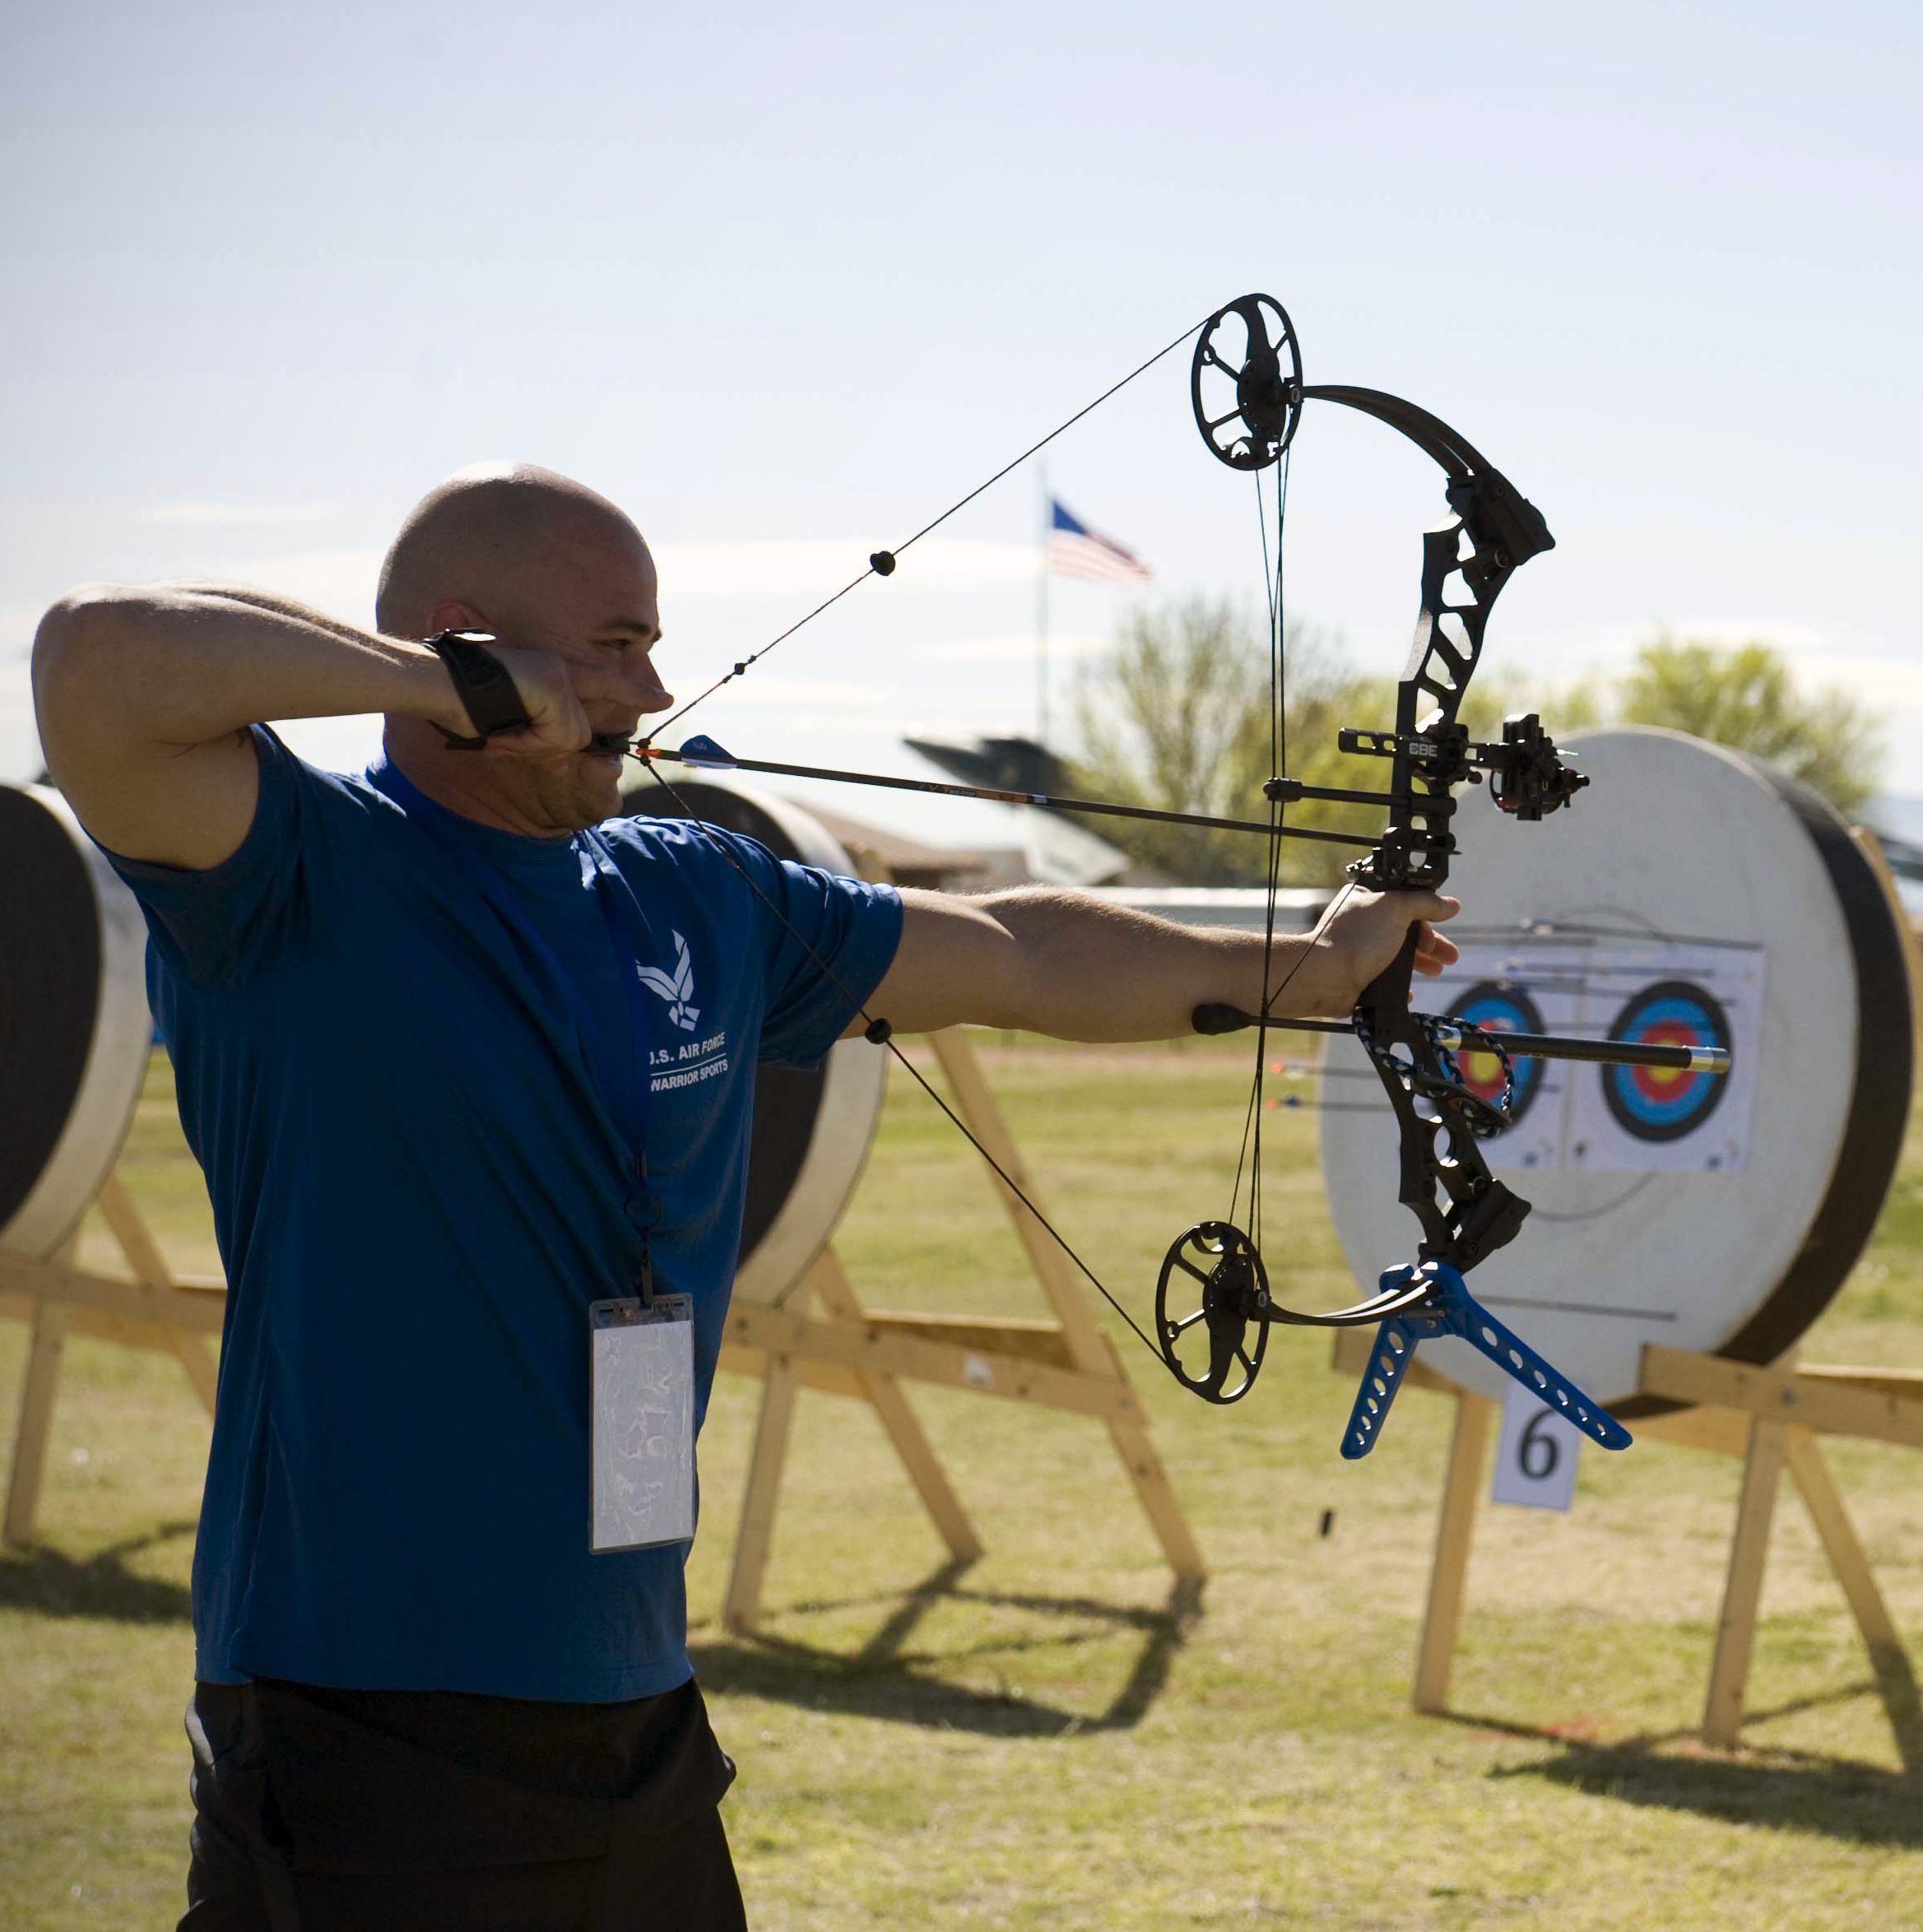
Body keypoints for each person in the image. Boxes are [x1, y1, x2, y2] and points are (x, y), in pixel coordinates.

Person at [29, 462, 1456, 1928]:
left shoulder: (695, 891)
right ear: (473, 647)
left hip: (636, 1716)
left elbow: (1018, 955)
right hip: (360, 1721)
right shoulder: (288, 872)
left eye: (652, 643)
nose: (652, 684)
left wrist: (1306, 971)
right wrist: (431, 678)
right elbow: (95, 655)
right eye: (614, 643)